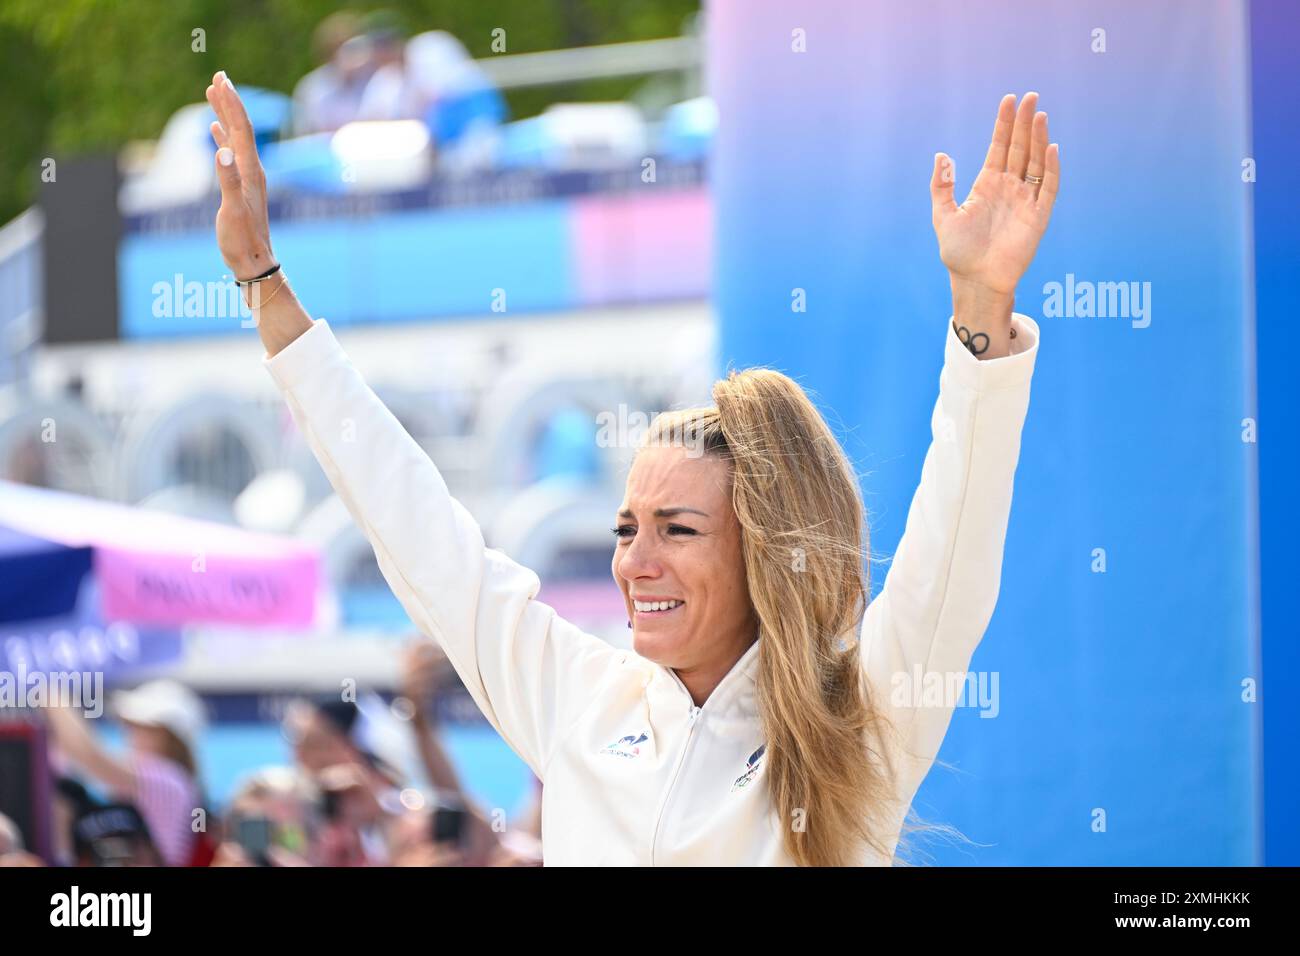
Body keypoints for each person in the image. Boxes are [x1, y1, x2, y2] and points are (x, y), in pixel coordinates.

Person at [204, 70, 1059, 865]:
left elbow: (951, 561)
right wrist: (263, 283)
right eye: (626, 529)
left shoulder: (858, 720)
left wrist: (982, 311)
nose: (635, 561)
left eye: (677, 529)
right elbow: (416, 528)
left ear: (761, 549)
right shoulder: (583, 699)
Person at [46, 679, 207, 866]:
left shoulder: (169, 778)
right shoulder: (174, 782)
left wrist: (49, 688)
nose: (130, 733)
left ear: (167, 736)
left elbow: (88, 756)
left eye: (140, 726)